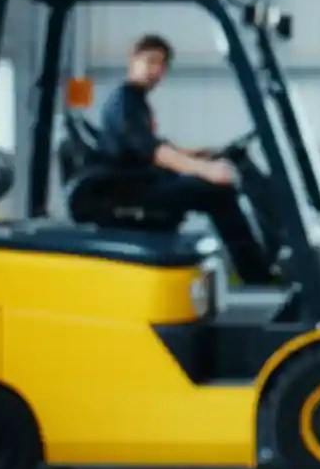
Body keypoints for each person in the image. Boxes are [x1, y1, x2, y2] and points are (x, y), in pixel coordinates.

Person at [97, 33, 273, 284]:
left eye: (161, 65)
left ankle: (256, 271)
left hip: (138, 183)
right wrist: (205, 169)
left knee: (214, 184)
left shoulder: (135, 101)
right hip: (131, 190)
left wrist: (199, 154)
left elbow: (156, 146)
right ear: (132, 59)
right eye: (149, 61)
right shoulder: (125, 101)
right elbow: (153, 152)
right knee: (217, 192)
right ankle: (258, 277)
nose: (155, 70)